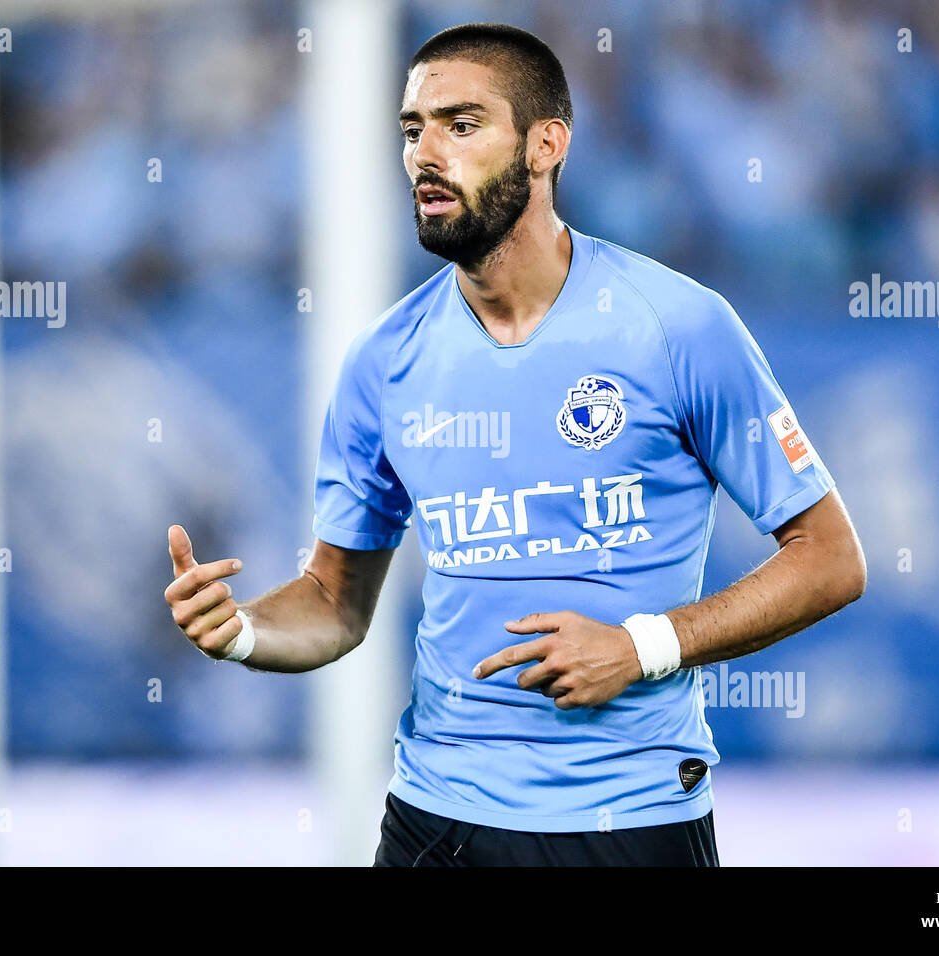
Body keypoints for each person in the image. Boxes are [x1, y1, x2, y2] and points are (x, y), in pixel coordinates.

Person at [164, 22, 866, 866]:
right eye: (412, 129)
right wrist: (240, 630)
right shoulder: (384, 363)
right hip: (437, 820)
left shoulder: (678, 326)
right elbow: (334, 603)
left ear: (546, 144)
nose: (427, 153)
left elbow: (829, 558)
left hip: (631, 820)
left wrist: (641, 647)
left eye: (462, 124)